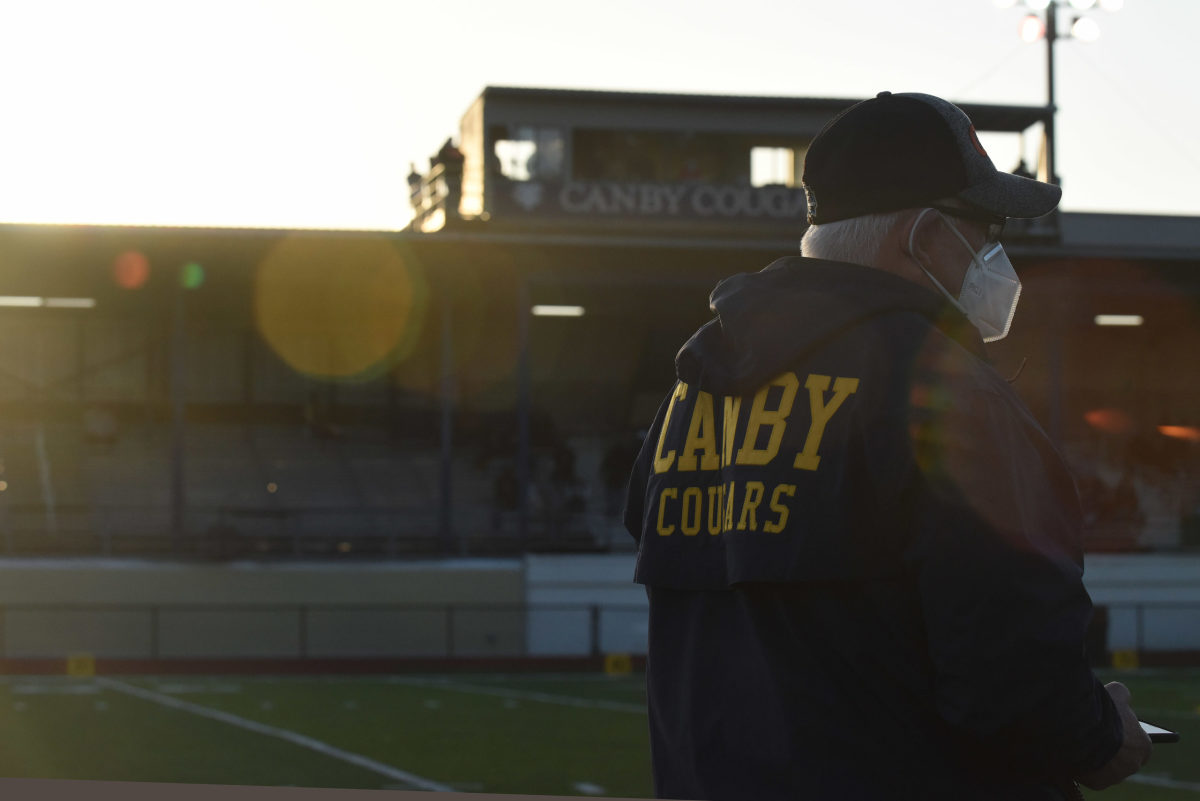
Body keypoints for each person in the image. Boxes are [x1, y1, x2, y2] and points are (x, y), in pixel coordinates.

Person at [624, 92, 1152, 800]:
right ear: (925, 235)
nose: (995, 252)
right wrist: (1102, 732)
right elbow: (1012, 673)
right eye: (985, 226)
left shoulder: (690, 393)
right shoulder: (943, 392)